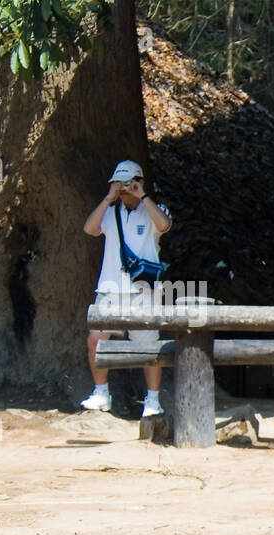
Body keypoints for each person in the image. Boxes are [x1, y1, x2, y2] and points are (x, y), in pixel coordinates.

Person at [80, 159, 172, 416]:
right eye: (118, 184)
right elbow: (89, 229)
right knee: (96, 339)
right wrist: (108, 198)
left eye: (128, 182)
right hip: (110, 287)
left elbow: (164, 225)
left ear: (139, 181)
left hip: (143, 290)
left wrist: (141, 195)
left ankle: (153, 400)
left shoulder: (154, 209)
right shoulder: (109, 212)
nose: (123, 189)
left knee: (148, 346)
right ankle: (101, 393)